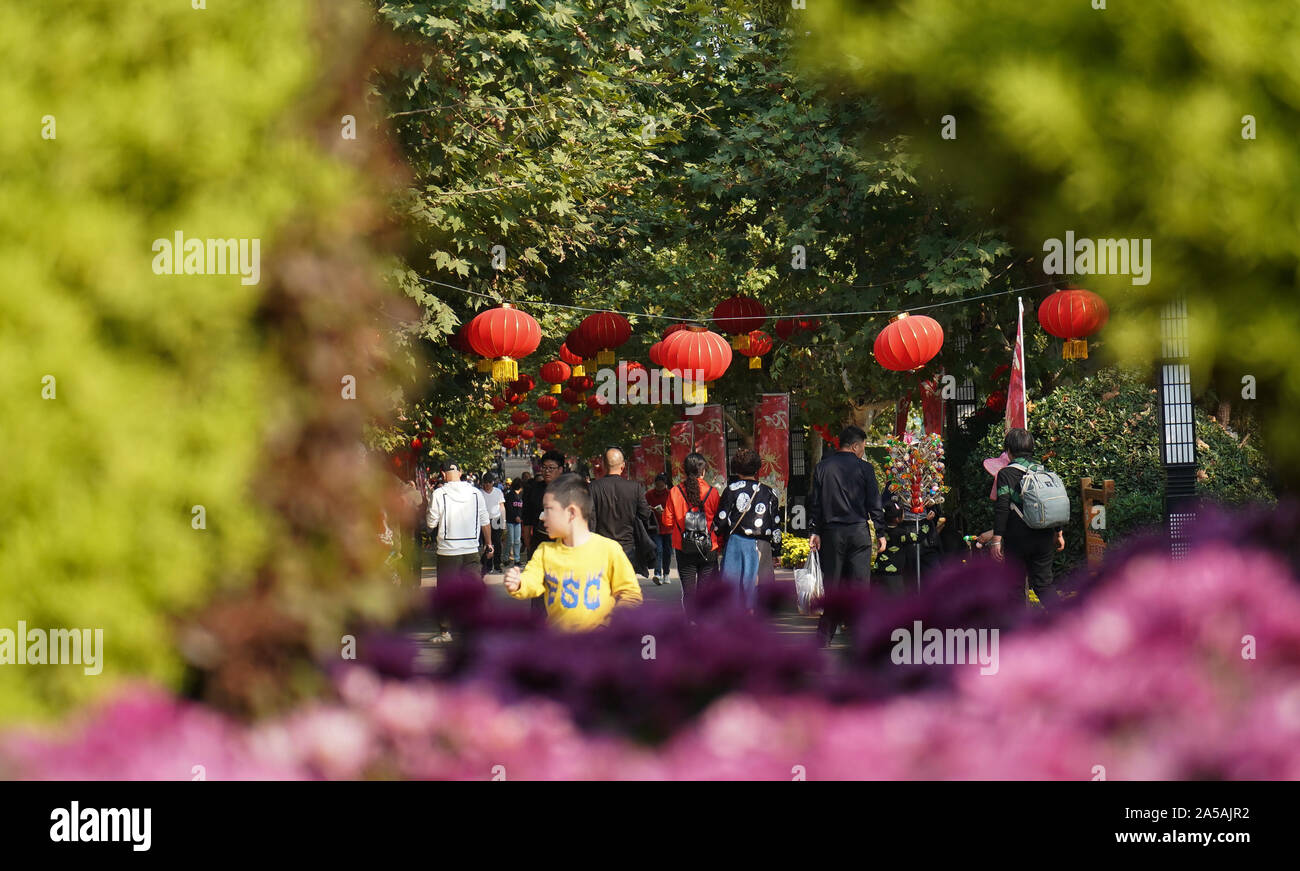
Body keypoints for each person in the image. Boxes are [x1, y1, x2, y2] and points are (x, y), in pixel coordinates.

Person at [504, 473, 643, 630]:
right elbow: (532, 580)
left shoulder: (609, 550)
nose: (542, 517)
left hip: (601, 647)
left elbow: (630, 594)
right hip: (559, 647)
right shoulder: (544, 552)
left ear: (571, 512)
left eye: (549, 509)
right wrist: (518, 583)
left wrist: (613, 624)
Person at [807, 425, 886, 646]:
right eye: (862, 447)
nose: (863, 451)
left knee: (833, 586)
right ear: (854, 445)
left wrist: (814, 530)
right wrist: (880, 532)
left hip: (832, 533)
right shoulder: (865, 469)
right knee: (860, 586)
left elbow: (816, 503)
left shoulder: (822, 468)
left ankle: (823, 638)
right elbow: (874, 503)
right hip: (858, 531)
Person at [990, 427, 1066, 606]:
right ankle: (1064, 623)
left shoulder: (1006, 474)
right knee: (1044, 585)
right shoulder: (1043, 472)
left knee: (1015, 587)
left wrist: (996, 538)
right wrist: (1059, 533)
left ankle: (1018, 629)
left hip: (1018, 538)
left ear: (1008, 451)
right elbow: (1052, 503)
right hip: (1044, 536)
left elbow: (1002, 506)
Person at [426, 460, 491, 641]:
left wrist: (430, 524)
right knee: (473, 591)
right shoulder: (476, 493)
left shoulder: (439, 493)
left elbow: (431, 521)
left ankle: (445, 631)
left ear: (444, 474)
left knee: (446, 592)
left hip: (448, 550)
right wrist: (489, 543)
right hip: (471, 549)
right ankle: (476, 629)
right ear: (460, 472)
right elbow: (485, 519)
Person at [714, 448, 782, 614]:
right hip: (762, 545)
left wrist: (717, 533)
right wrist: (776, 551)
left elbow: (721, 520)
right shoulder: (769, 492)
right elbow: (776, 525)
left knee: (733, 587)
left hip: (736, 543)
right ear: (757, 468)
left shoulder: (731, 490)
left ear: (736, 468)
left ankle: (736, 624)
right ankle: (756, 622)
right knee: (759, 589)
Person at [661, 452, 721, 613]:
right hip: (708, 547)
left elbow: (666, 521)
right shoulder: (713, 492)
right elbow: (719, 521)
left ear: (685, 471)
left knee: (688, 592)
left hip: (683, 547)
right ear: (703, 471)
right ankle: (705, 623)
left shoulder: (674, 492)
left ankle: (692, 622)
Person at [590, 447, 658, 579]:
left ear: (604, 465)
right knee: (626, 590)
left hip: (602, 548)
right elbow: (645, 514)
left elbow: (589, 519)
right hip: (628, 548)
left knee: (605, 590)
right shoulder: (634, 488)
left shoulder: (593, 488)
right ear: (623, 466)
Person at [522, 450, 567, 615]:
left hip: (564, 545)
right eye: (544, 467)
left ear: (561, 469)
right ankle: (538, 626)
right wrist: (528, 541)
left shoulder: (570, 491)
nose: (547, 471)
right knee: (539, 586)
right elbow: (526, 520)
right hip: (539, 544)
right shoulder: (533, 490)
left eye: (551, 468)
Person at [644, 473, 674, 585]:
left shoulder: (670, 494)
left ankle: (666, 573)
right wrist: (649, 509)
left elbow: (674, 508)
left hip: (668, 527)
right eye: (657, 486)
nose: (659, 489)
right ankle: (657, 574)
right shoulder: (649, 494)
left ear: (665, 485)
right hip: (655, 527)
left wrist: (665, 511)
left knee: (667, 551)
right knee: (658, 550)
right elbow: (643, 506)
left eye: (662, 487)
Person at [478, 472, 506, 574]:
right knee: (487, 543)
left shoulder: (498, 492)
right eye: (485, 483)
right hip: (485, 521)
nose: (487, 485)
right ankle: (488, 565)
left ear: (492, 483)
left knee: (497, 543)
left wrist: (503, 521)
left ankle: (497, 564)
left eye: (489, 483)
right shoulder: (479, 493)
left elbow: (502, 507)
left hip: (496, 519)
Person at [504, 478, 524, 567]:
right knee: (510, 541)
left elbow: (522, 509)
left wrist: (520, 517)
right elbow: (508, 508)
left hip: (518, 522)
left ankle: (517, 559)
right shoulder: (509, 495)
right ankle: (505, 558)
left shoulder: (521, 496)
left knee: (517, 541)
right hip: (510, 521)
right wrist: (515, 516)